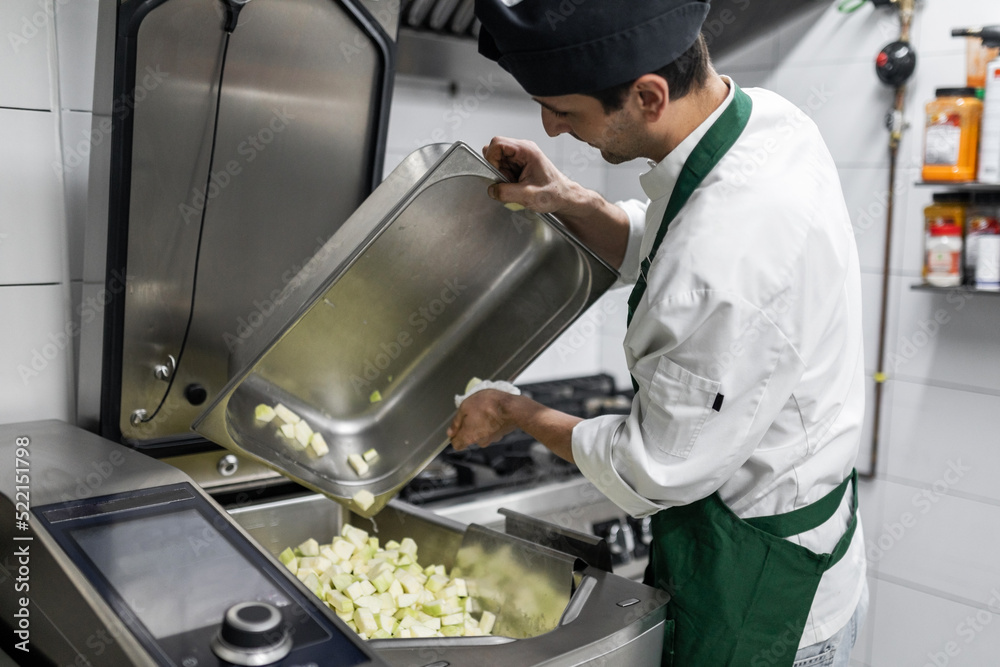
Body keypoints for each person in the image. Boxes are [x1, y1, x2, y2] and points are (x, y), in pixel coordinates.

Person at [446, 1, 868, 665]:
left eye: (564, 110)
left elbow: (648, 469)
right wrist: (569, 199)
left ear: (647, 95)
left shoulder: (726, 255)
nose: (551, 130)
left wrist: (513, 409)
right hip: (795, 536)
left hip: (763, 597)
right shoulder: (763, 121)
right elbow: (672, 235)